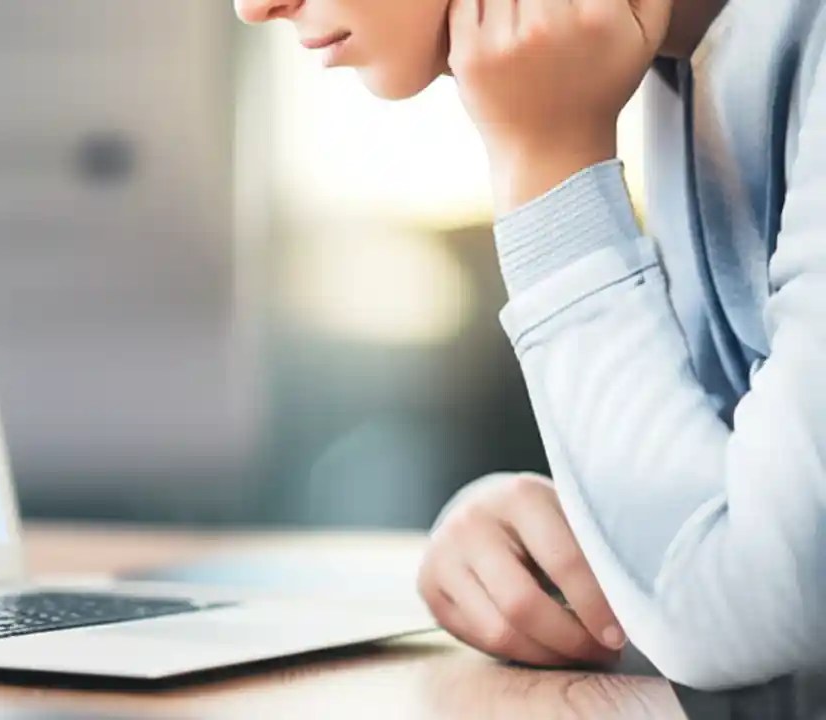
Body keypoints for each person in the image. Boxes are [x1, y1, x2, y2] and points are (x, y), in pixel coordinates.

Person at [233, 0, 826, 690]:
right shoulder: (687, 62)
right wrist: (581, 538)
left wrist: (547, 167)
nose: (254, 7)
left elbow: (742, 611)